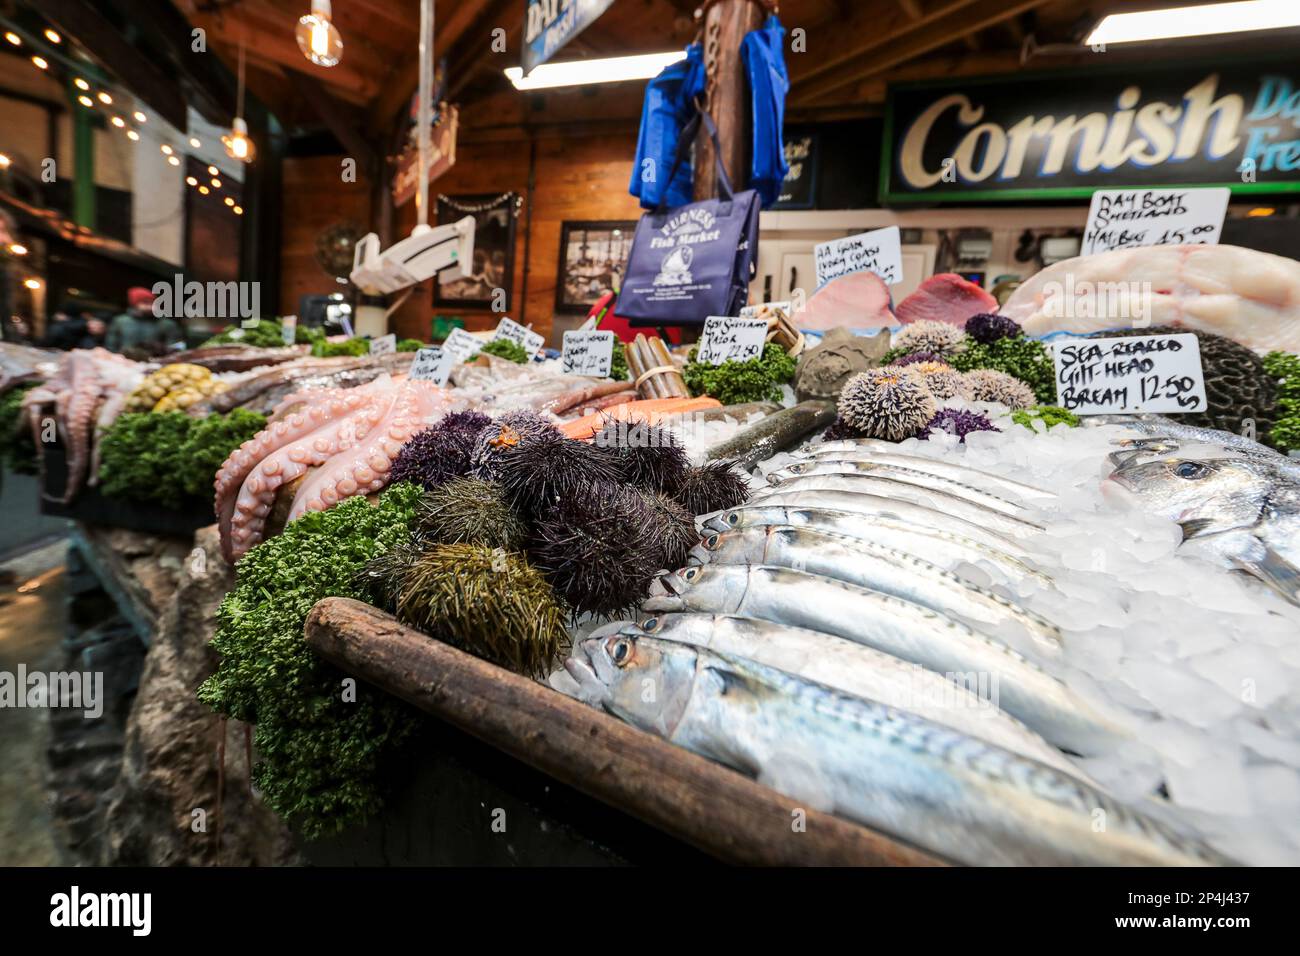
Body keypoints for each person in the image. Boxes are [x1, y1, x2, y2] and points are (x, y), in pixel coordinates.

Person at [105, 287, 182, 354]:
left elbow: (174, 348)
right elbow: (110, 345)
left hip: (156, 364)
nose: (151, 306)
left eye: (153, 303)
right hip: (123, 364)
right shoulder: (120, 321)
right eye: (145, 302)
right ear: (135, 304)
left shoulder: (167, 324)